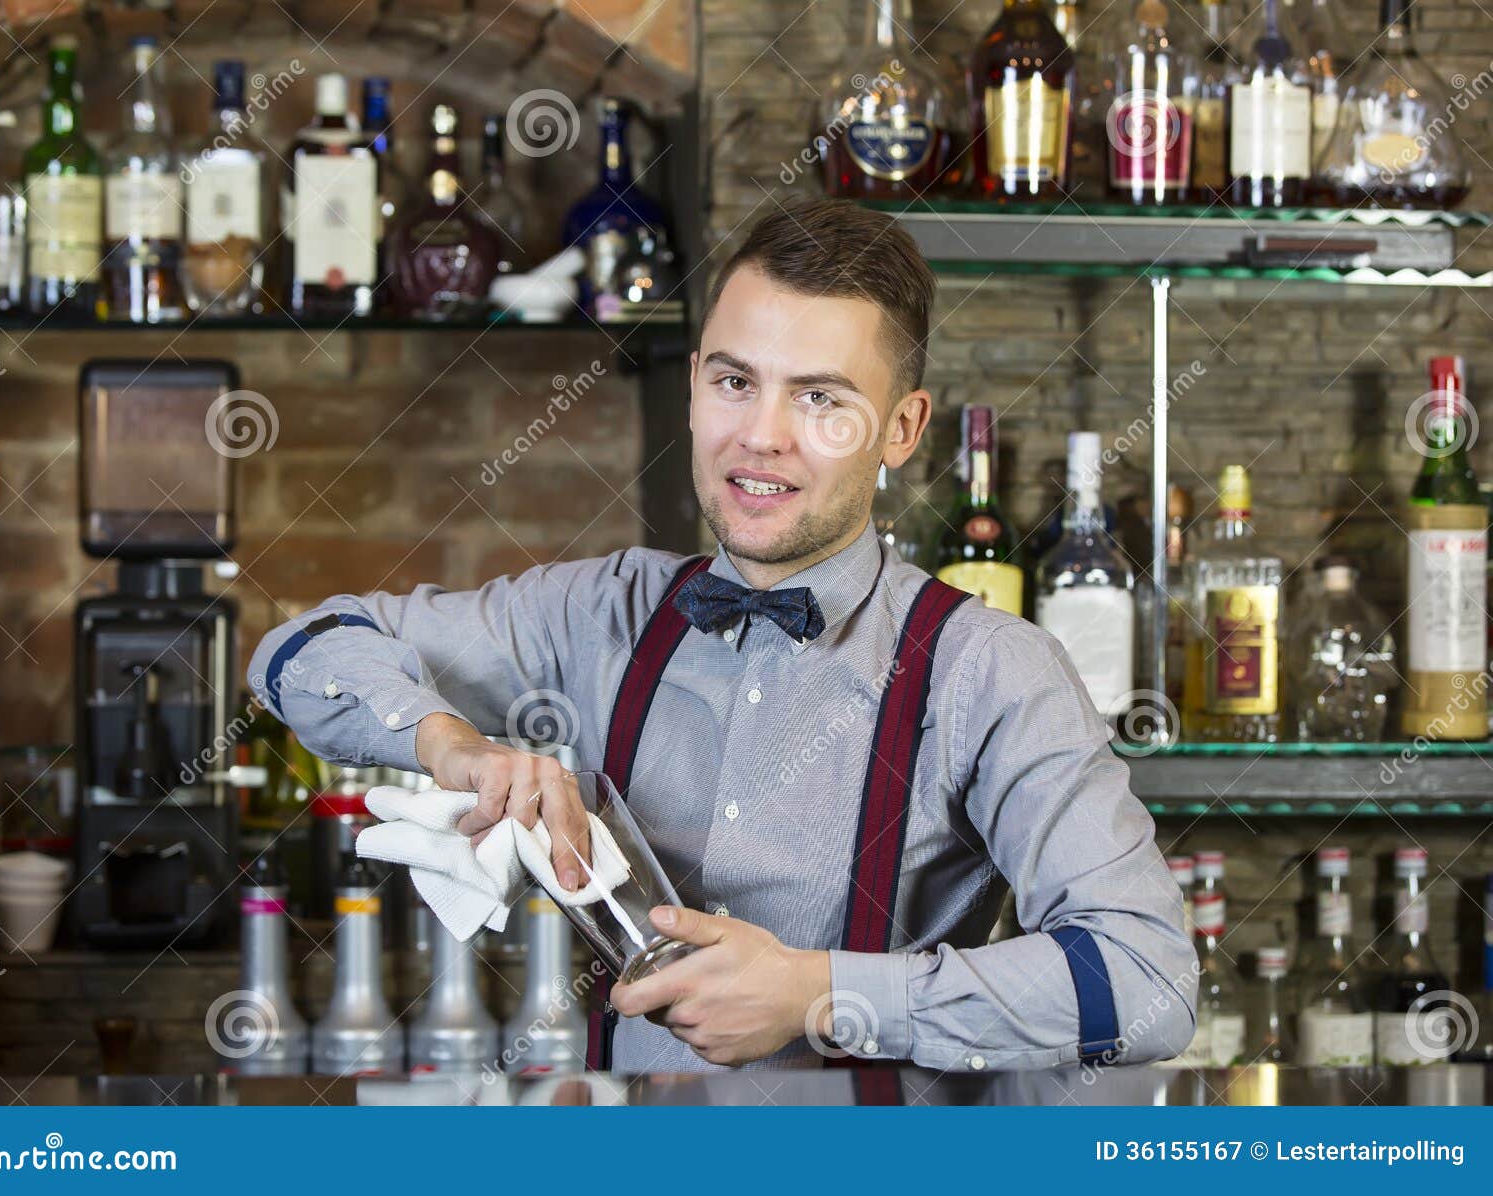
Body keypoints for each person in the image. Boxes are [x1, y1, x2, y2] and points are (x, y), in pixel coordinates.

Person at [249, 197, 1196, 1074]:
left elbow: (1147, 981)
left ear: (902, 429)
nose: (762, 436)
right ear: (697, 382)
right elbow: (302, 649)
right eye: (736, 381)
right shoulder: (599, 611)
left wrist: (822, 993)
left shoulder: (991, 671)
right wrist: (447, 744)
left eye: (821, 399)